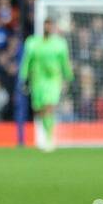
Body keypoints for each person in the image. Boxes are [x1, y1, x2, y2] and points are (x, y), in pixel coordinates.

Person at [18, 19, 73, 151]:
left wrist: (70, 78)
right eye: (45, 25)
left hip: (53, 80)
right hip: (37, 80)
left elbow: (65, 62)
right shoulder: (32, 42)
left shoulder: (59, 44)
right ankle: (47, 134)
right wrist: (23, 78)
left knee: (49, 106)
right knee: (39, 110)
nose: (48, 27)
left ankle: (49, 139)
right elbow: (27, 61)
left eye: (50, 25)